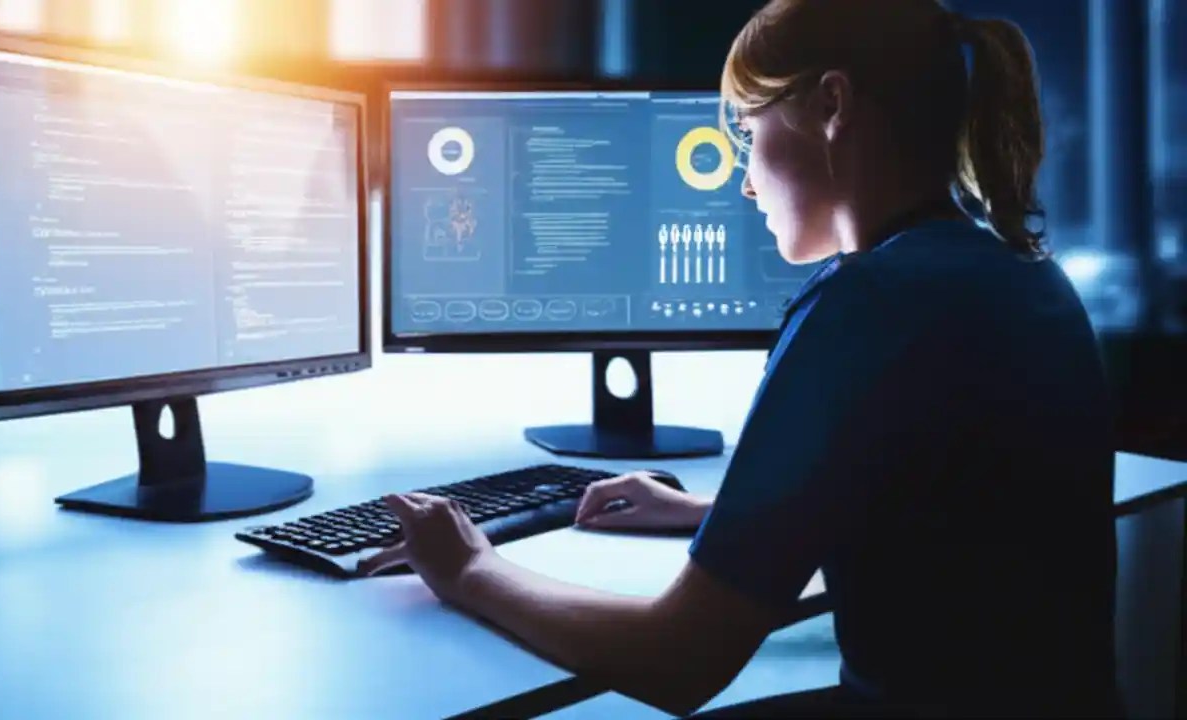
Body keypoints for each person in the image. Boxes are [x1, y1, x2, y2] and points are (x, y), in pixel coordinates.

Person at [361, 0, 1120, 716]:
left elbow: (678, 659)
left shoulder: (867, 303)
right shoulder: (1021, 273)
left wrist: (468, 569)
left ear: (831, 106)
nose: (747, 179)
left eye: (751, 135)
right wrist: (717, 516)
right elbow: (952, 538)